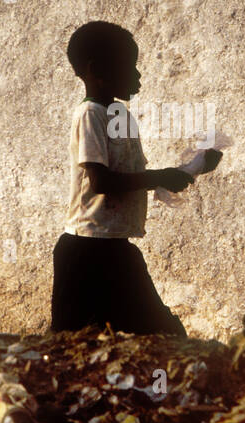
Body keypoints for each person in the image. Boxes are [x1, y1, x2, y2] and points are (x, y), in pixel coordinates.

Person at [50, 21, 209, 336]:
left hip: (112, 247)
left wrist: (189, 169)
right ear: (97, 70)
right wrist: (157, 177)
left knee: (152, 334)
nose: (137, 76)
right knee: (74, 344)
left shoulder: (119, 116)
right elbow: (102, 182)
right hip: (87, 251)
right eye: (128, 67)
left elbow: (130, 175)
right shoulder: (90, 115)